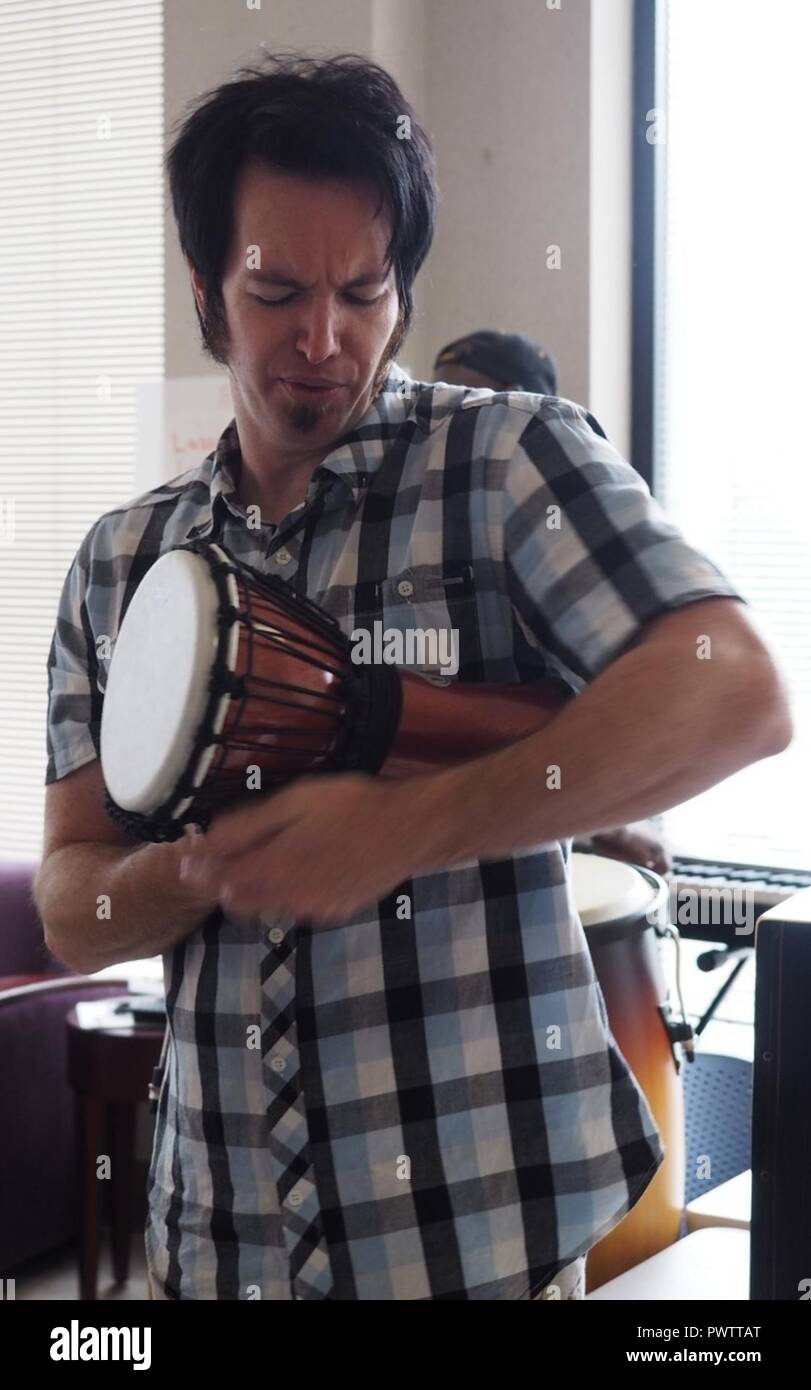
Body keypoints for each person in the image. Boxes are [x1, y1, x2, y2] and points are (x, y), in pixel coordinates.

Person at [35, 52, 792, 1302]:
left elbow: (738, 689)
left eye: (364, 291)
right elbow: (74, 898)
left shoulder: (499, 465)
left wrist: (402, 829)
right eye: (276, 291)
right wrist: (187, 873)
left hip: (476, 1238)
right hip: (215, 1248)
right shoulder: (121, 563)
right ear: (208, 292)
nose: (322, 340)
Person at [433, 330, 672, 876]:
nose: (454, 411)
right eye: (442, 390)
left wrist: (613, 818)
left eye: (475, 395)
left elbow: (614, 713)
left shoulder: (551, 508)